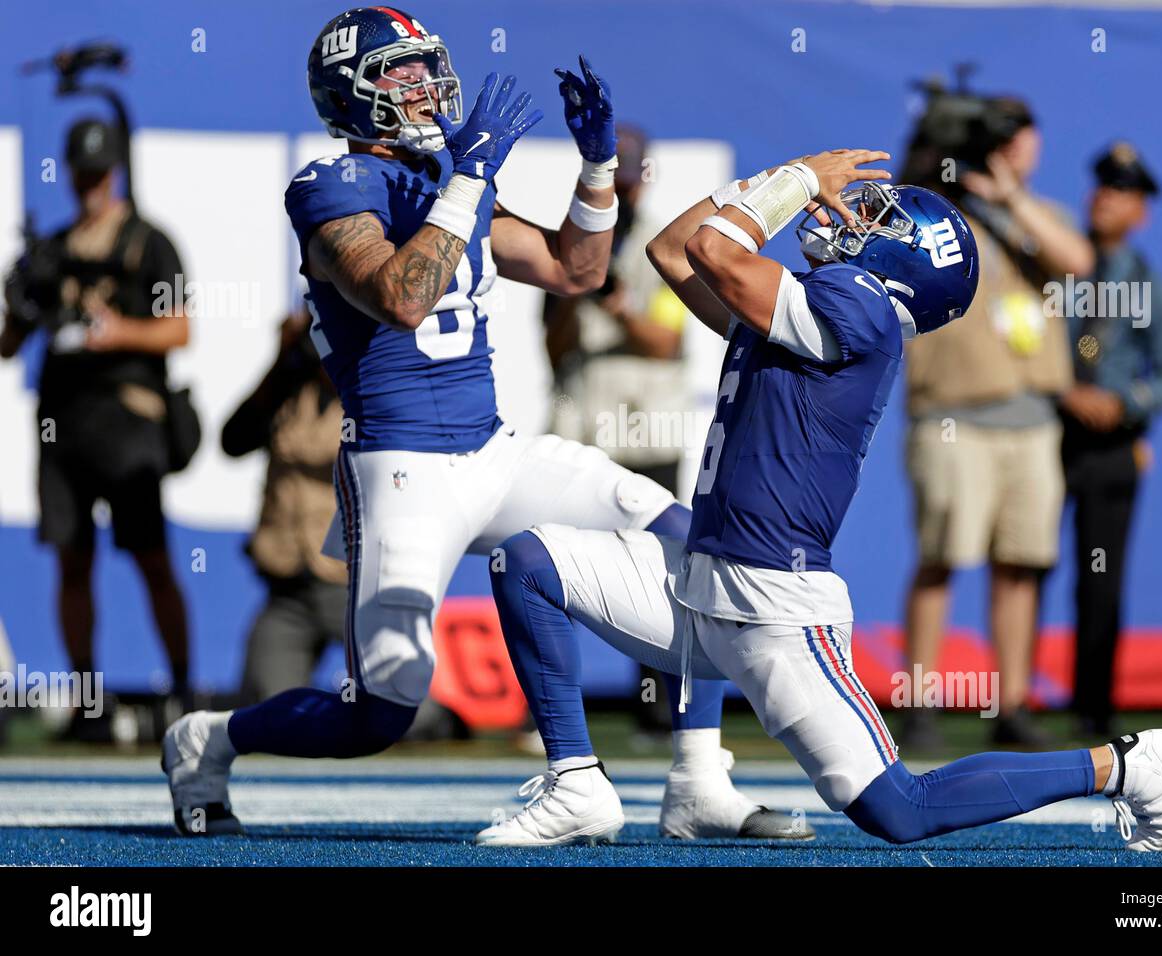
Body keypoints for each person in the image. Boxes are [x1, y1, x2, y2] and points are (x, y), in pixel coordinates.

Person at [163, 7, 803, 842]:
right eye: (402, 71)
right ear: (350, 96)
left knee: (689, 541)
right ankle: (208, 737)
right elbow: (400, 297)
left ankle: (695, 782)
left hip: (493, 451)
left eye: (430, 66)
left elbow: (577, 269)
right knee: (382, 710)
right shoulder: (331, 189)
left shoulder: (446, 181)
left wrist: (598, 165)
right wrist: (465, 182)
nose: (428, 85)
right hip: (401, 469)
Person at [475, 149, 1162, 854]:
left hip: (774, 609)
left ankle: (1126, 765)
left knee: (899, 811)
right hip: (700, 591)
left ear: (904, 263)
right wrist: (782, 177)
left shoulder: (861, 307)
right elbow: (674, 252)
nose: (850, 218)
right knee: (529, 561)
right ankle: (578, 782)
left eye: (878, 220)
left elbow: (713, 250)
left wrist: (795, 181)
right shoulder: (818, 311)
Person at [898, 99, 1091, 749]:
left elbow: (1078, 264)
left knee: (1021, 565)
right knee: (942, 559)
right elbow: (891, 221)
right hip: (954, 414)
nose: (1009, 147)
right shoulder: (929, 212)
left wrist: (1011, 200)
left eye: (1018, 135)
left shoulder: (1042, 218)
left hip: (1032, 419)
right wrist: (936, 157)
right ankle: (920, 702)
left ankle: (1010, 705)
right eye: (995, 138)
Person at [0, 118, 192, 733]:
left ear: (113, 173)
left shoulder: (148, 242)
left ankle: (182, 693)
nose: (87, 185)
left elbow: (180, 328)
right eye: (79, 174)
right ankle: (88, 700)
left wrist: (119, 333)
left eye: (96, 173)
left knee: (152, 559)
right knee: (71, 561)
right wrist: (18, 304)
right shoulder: (51, 251)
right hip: (62, 427)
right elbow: (9, 343)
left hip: (128, 423)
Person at [545, 123, 693, 739]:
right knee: (557, 561)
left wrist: (616, 307)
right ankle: (555, 701)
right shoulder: (569, 244)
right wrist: (573, 296)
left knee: (657, 568)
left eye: (629, 183)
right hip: (585, 417)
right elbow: (552, 347)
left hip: (646, 421)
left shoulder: (665, 247)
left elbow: (668, 340)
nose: (623, 196)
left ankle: (656, 704)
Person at [1058, 143, 1162, 736]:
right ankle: (1013, 703)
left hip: (1110, 445)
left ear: (1141, 211)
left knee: (1101, 575)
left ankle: (1094, 707)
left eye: (1121, 193)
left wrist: (1124, 404)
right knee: (1023, 566)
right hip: (1048, 432)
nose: (1104, 199)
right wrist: (1063, 390)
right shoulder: (1057, 267)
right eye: (1101, 187)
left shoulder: (1148, 285)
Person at [220, 309, 348, 705]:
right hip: (289, 587)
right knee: (265, 703)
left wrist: (346, 368)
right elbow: (233, 441)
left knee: (409, 707)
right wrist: (282, 361)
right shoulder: (287, 390)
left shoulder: (374, 389)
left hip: (354, 587)